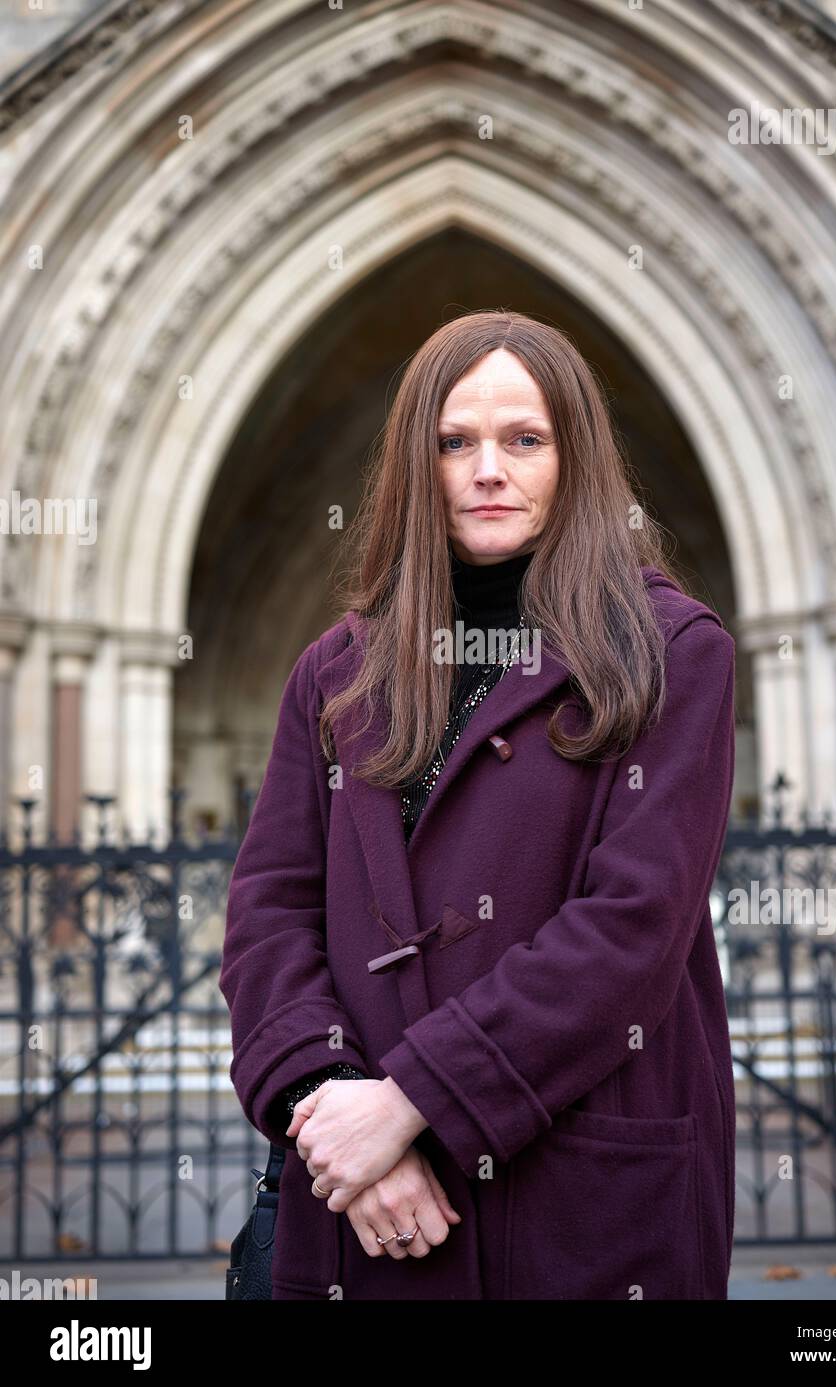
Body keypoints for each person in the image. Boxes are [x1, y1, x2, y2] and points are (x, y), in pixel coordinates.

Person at [219, 309, 737, 1300]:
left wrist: (412, 1099)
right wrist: (339, 1115)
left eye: (524, 440)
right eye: (454, 442)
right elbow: (269, 916)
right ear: (419, 465)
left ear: (572, 459)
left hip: (582, 1200)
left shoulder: (674, 654)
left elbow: (633, 927)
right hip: (364, 1219)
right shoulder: (332, 672)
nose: (486, 469)